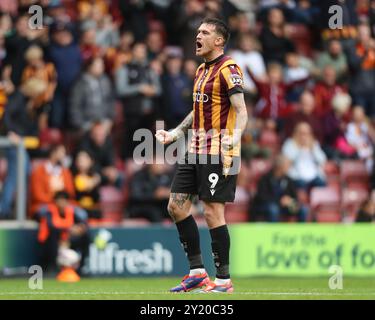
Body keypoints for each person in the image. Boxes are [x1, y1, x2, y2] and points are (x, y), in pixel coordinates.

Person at [156, 18, 248, 293]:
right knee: (175, 205)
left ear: (219, 40)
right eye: (197, 31)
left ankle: (223, 280)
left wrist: (236, 136)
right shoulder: (200, 70)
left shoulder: (229, 69)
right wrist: (175, 133)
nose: (198, 35)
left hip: (219, 151)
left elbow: (241, 110)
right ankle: (197, 272)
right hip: (194, 149)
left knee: (211, 211)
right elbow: (198, 110)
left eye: (205, 33)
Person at [37, 191, 90, 274]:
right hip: (50, 243)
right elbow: (52, 227)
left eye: (64, 200)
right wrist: (69, 230)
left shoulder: (72, 212)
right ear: (55, 201)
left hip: (67, 241)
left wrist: (79, 229)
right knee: (53, 237)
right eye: (59, 200)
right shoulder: (49, 212)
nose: (62, 203)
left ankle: (81, 268)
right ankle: (53, 268)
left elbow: (83, 225)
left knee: (85, 237)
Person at [251, 155, 308, 222]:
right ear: (280, 166)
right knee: (273, 209)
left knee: (303, 209)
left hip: (284, 207)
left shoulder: (288, 180)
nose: (289, 168)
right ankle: (273, 231)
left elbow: (294, 196)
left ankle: (300, 231)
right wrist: (279, 201)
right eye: (287, 166)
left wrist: (290, 201)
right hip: (266, 206)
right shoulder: (265, 179)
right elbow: (261, 197)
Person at [69, 56, 115, 132]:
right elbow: (74, 106)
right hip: (87, 124)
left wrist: (109, 119)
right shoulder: (80, 84)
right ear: (89, 67)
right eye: (98, 66)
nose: (101, 68)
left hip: (104, 122)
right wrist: (82, 125)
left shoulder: (105, 81)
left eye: (102, 65)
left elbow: (110, 101)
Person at [30, 144, 75, 218]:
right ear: (53, 153)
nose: (64, 156)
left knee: (81, 214)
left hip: (64, 205)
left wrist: (62, 202)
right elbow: (37, 195)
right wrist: (56, 201)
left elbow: (70, 192)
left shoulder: (65, 172)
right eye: (62, 152)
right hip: (44, 205)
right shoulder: (39, 171)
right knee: (50, 215)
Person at [282, 122, 327, 190]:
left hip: (313, 175)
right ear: (296, 133)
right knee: (300, 185)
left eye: (307, 133)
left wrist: (313, 149)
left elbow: (322, 160)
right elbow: (286, 161)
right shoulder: (290, 143)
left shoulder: (314, 143)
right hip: (297, 176)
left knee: (322, 184)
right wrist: (298, 147)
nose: (304, 136)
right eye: (301, 133)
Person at [72, 150, 102, 219]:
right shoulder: (73, 177)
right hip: (79, 208)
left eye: (84, 160)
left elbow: (97, 197)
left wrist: (95, 182)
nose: (81, 163)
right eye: (79, 160)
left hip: (93, 208)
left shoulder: (94, 177)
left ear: (90, 161)